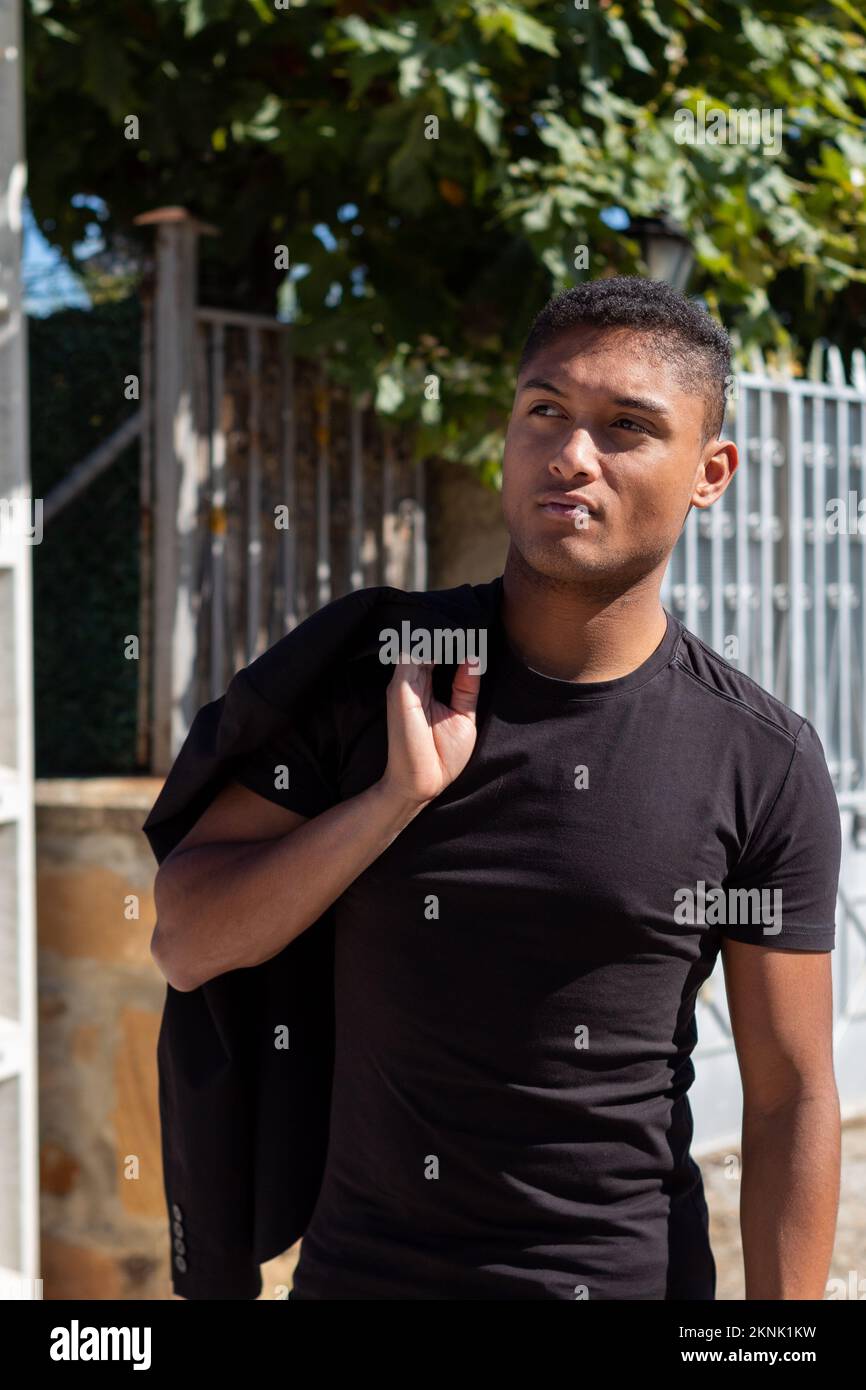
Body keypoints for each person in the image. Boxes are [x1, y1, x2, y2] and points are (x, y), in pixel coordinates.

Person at [151, 276, 842, 1301]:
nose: (571, 454)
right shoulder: (379, 672)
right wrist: (389, 801)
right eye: (544, 412)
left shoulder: (760, 760)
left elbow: (787, 1096)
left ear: (710, 472)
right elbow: (186, 939)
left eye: (624, 428)